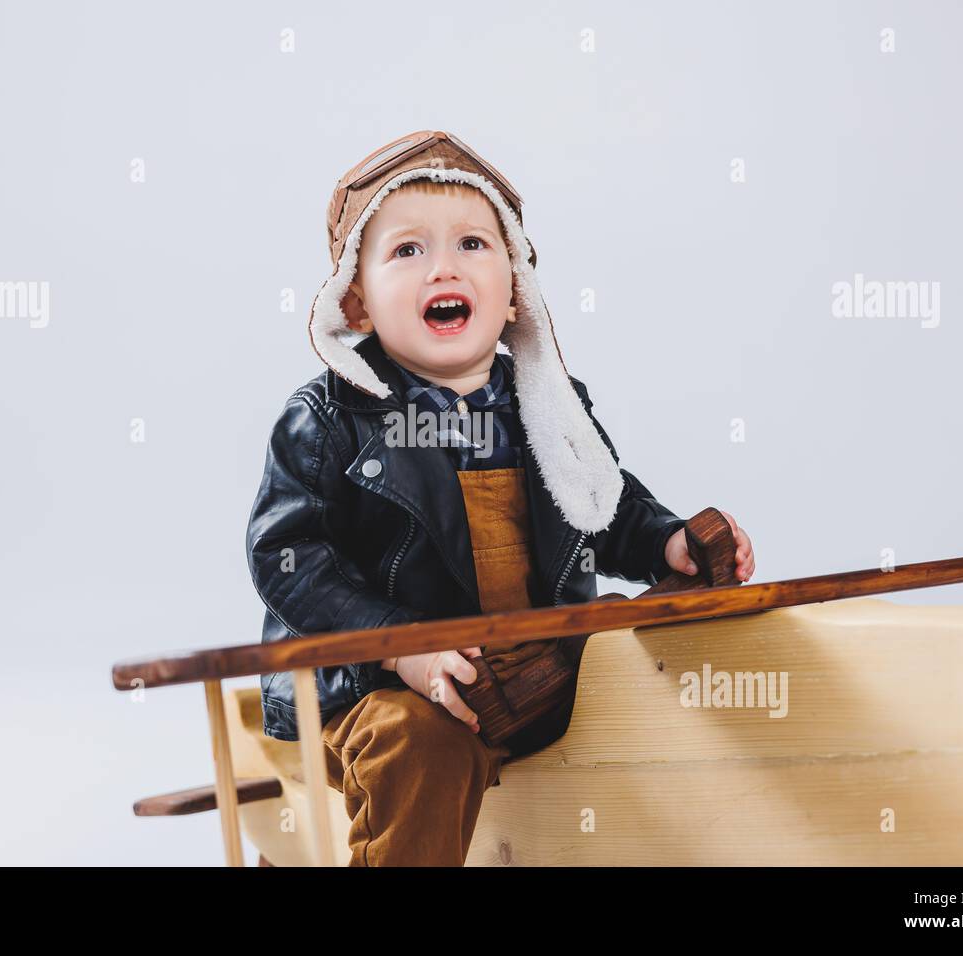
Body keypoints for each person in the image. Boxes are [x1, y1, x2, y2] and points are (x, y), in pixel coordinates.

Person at [246, 131, 755, 865]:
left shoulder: (547, 406)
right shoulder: (329, 419)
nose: (443, 267)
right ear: (355, 301)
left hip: (530, 669)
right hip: (376, 686)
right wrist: (401, 649)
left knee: (631, 648)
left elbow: (602, 505)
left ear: (515, 283)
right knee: (417, 744)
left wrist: (667, 542)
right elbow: (285, 554)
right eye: (408, 251)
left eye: (473, 245)